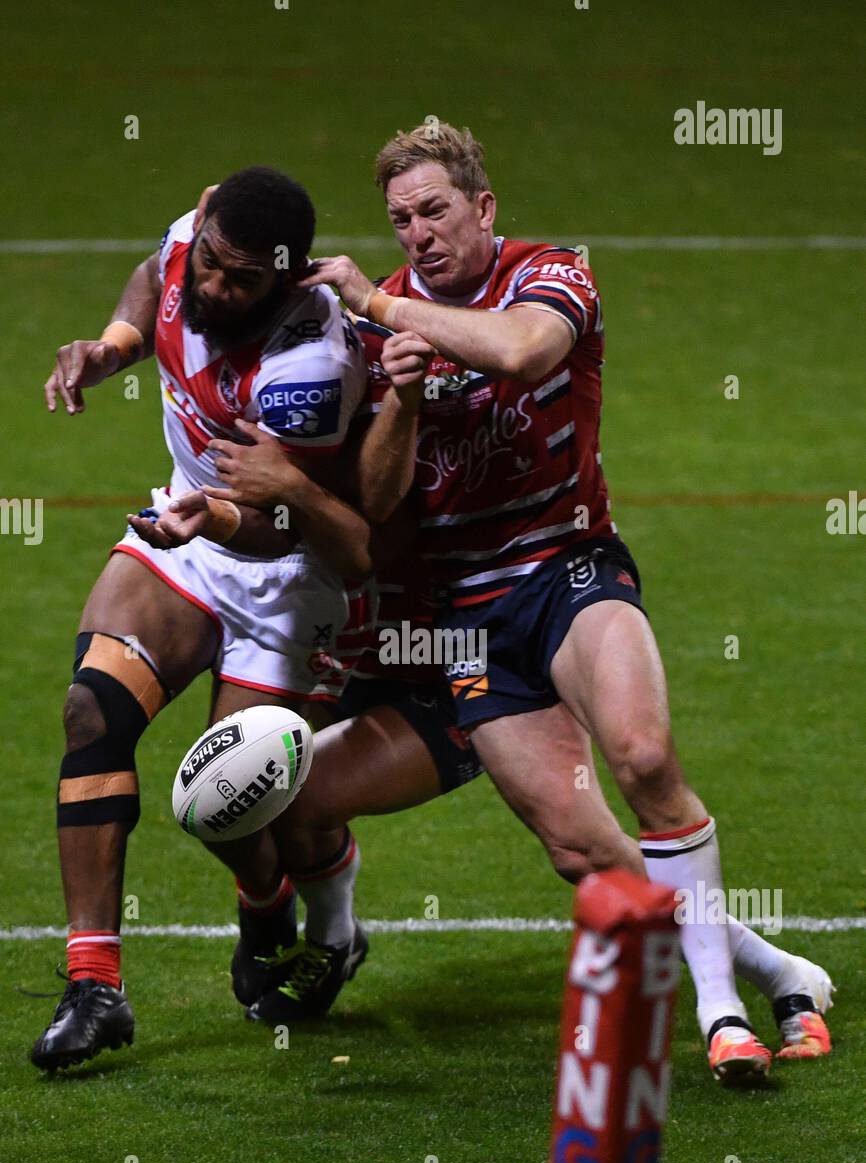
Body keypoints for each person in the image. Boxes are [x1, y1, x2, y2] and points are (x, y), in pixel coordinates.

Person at [288, 121, 833, 1081]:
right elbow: (375, 504)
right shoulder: (383, 330)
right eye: (400, 219)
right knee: (580, 850)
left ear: (483, 207)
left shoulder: (551, 274)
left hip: (567, 566)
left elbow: (528, 353)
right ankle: (778, 968)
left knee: (645, 756)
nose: (417, 233)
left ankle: (718, 1018)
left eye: (435, 211)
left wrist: (382, 303)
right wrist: (404, 400)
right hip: (465, 620)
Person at [33, 166, 377, 1072]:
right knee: (90, 713)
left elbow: (279, 524)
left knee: (232, 801)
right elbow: (157, 277)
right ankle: (94, 984)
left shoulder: (308, 369)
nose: (215, 288)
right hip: (188, 532)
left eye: (241, 281)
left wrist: (216, 515)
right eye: (211, 269)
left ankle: (272, 910)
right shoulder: (200, 237)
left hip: (290, 573)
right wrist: (112, 347)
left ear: (291, 276)